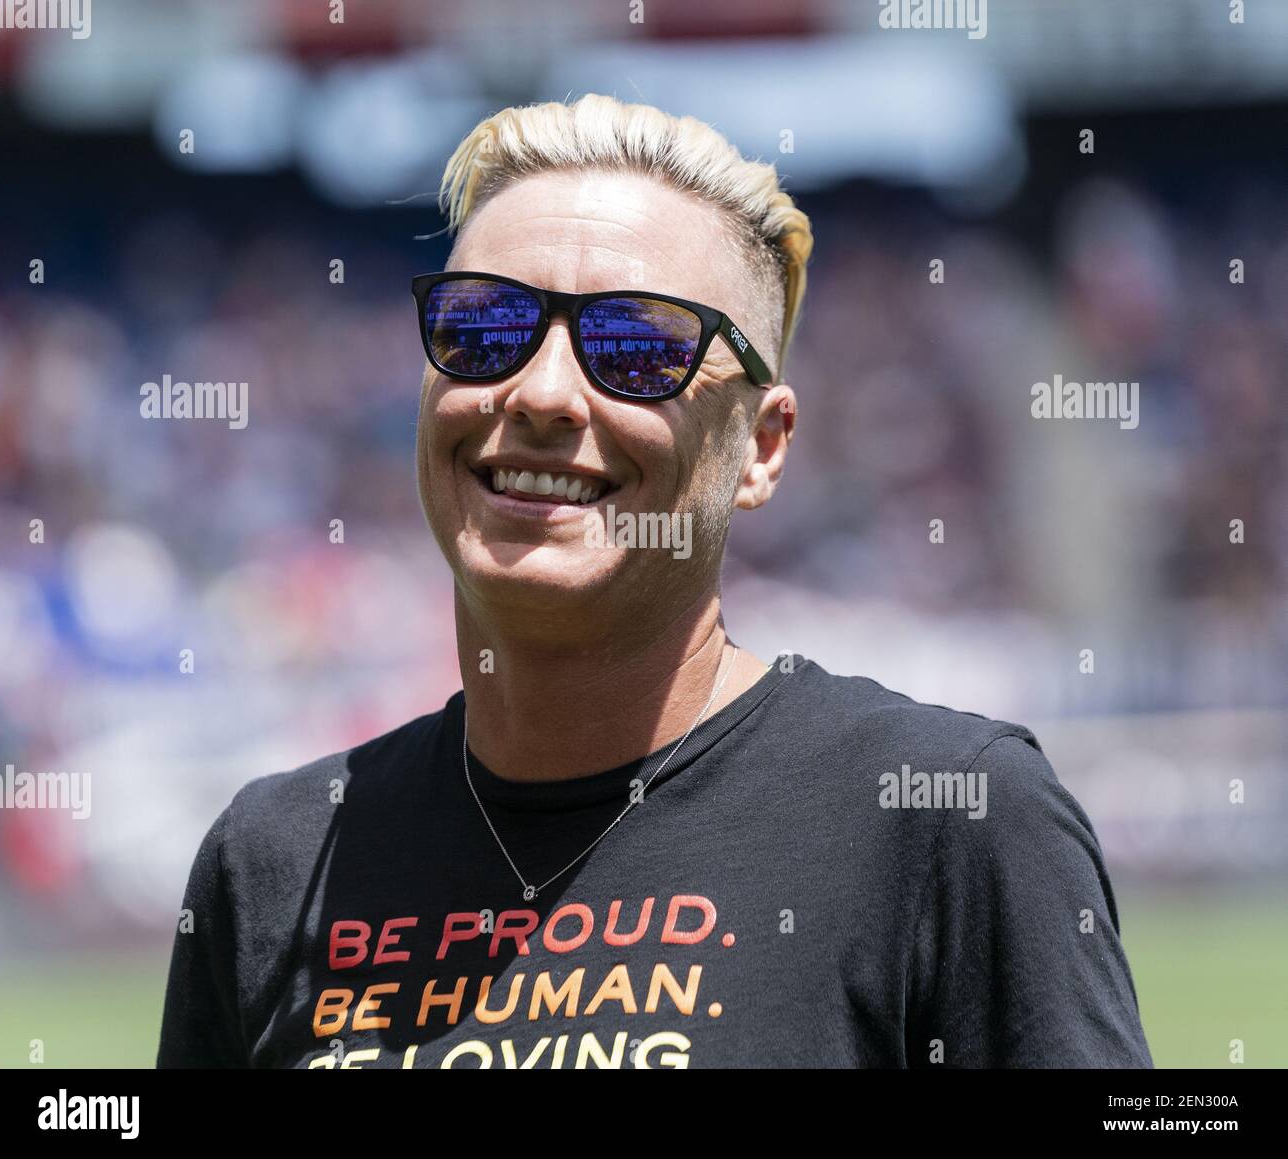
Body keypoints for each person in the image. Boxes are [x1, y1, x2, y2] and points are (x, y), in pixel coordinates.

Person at [156, 93, 1152, 1070]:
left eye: (635, 349)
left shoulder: (950, 818)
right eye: (482, 326)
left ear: (761, 448)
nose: (541, 392)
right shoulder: (273, 859)